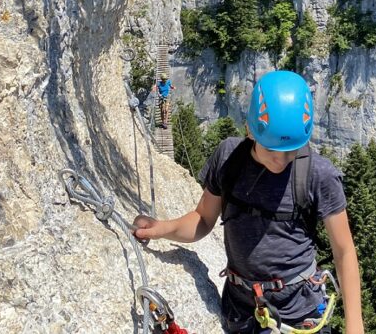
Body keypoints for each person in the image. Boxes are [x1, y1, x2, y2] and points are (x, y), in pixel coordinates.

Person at [132, 71, 364, 334]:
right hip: (240, 309)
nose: (280, 160)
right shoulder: (229, 158)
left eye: (290, 151)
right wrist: (161, 228)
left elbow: (344, 251)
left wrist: (354, 325)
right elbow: (203, 219)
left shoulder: (318, 175)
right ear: (249, 130)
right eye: (272, 149)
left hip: (297, 313)